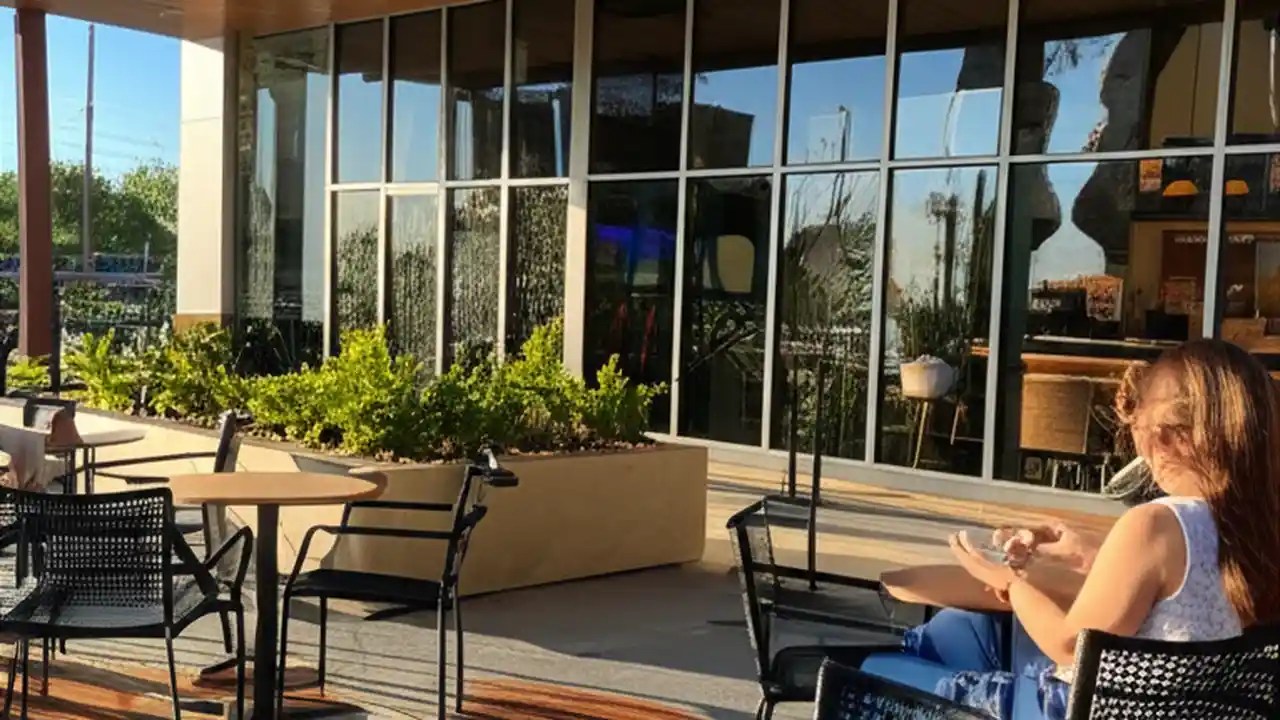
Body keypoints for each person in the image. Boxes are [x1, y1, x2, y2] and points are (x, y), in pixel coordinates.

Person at [862, 339, 1280, 719]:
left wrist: (1009, 580)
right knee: (963, 632)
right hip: (1183, 708)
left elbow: (1071, 646)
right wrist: (1091, 554)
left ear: (1169, 438)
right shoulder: (1257, 526)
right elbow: (1177, 599)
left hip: (1073, 709)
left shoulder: (1157, 524)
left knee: (867, 675)